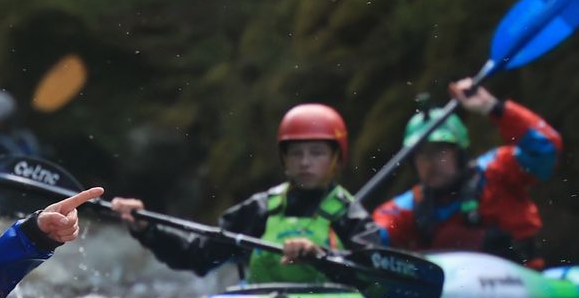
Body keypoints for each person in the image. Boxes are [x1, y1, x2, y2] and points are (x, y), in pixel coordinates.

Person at [108, 103, 377, 283]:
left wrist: (321, 256)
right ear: (284, 159)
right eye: (296, 153)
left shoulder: (349, 215)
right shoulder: (260, 209)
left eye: (317, 153)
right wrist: (147, 230)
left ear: (336, 158)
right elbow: (196, 257)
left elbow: (373, 273)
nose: (305, 162)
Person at [370, 79, 562, 266]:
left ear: (459, 153)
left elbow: (547, 148)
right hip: (462, 296)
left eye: (440, 150)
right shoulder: (409, 208)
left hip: (526, 289)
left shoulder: (499, 171)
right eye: (421, 154)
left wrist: (494, 108)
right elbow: (375, 234)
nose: (430, 162)